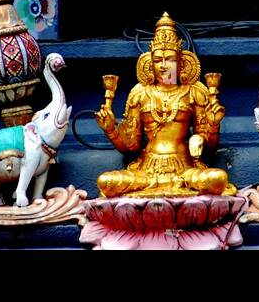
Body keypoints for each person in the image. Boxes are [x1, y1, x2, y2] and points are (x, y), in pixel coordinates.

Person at [95, 12, 232, 197]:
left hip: (185, 169)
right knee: (106, 182)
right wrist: (111, 130)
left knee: (217, 178)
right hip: (147, 170)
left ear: (181, 64)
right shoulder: (140, 93)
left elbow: (210, 147)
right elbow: (132, 146)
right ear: (150, 64)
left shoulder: (194, 92)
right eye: (158, 60)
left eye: (170, 60)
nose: (164, 66)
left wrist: (212, 128)